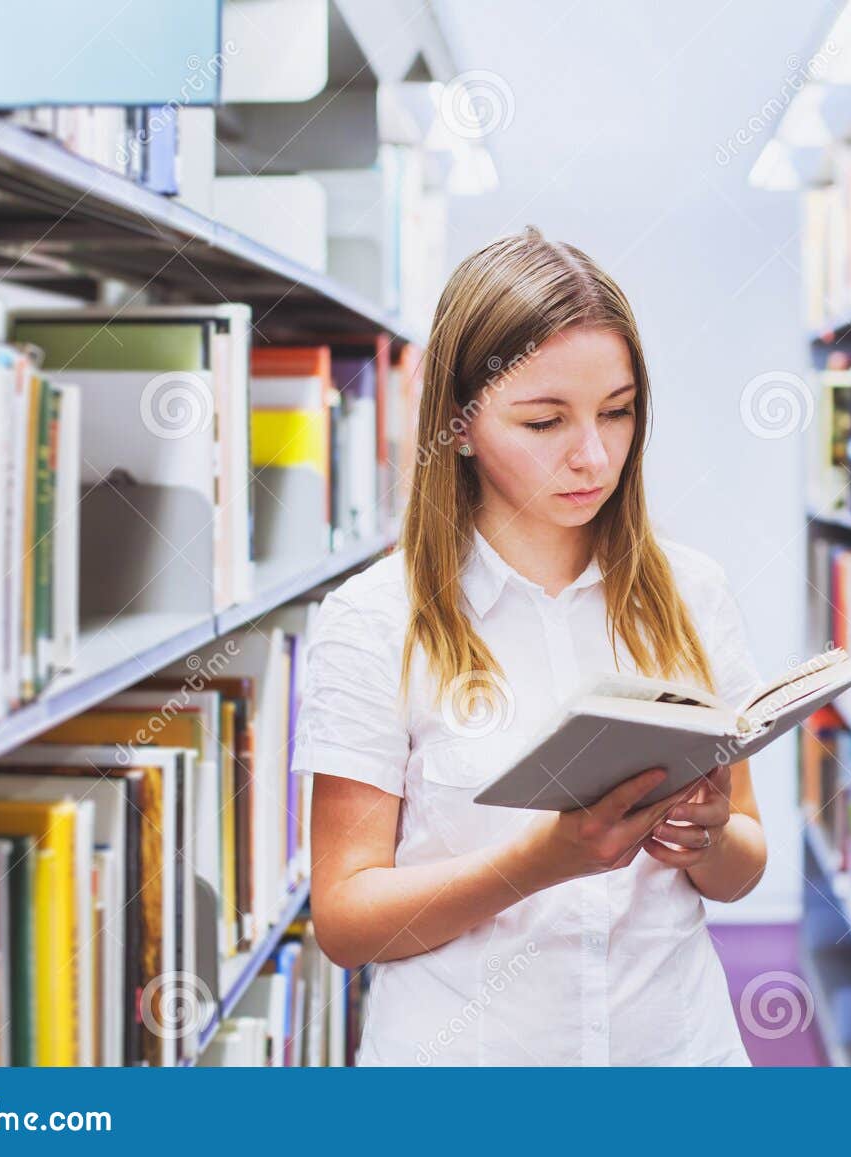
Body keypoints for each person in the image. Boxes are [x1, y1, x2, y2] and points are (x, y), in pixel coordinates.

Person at [291, 226, 769, 1066]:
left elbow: (741, 869)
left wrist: (711, 834)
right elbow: (346, 920)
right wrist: (544, 860)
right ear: (460, 427)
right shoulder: (374, 620)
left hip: (677, 1055)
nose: (593, 455)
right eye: (545, 421)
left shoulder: (692, 595)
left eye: (618, 412)